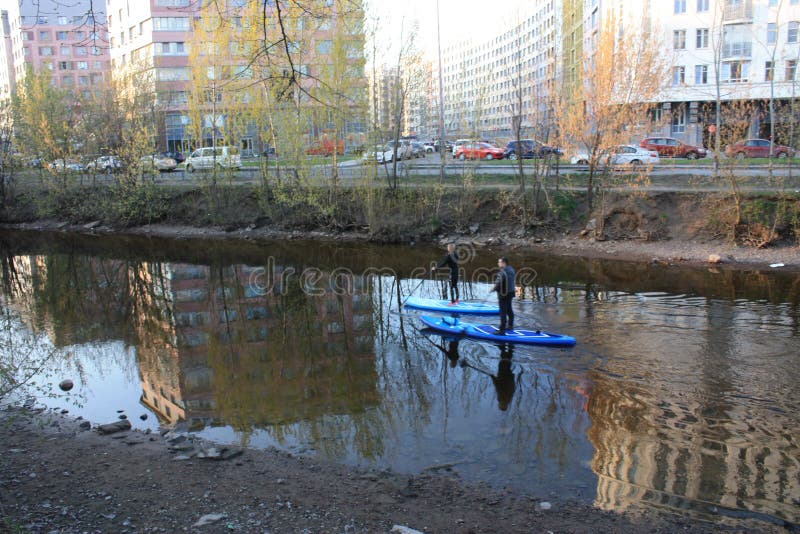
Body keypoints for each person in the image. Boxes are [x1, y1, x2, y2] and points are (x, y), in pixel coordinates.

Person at [489, 256, 515, 335]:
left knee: (503, 312)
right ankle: (510, 326)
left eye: (499, 262)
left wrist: (492, 289)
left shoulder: (502, 272)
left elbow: (498, 284)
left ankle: (501, 331)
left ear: (503, 263)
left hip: (503, 295)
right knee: (509, 310)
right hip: (510, 293)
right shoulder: (512, 269)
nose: (498, 263)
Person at [490, 344, 516, 411]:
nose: (499, 404)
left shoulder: (509, 398)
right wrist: (493, 378)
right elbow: (498, 387)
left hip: (507, 376)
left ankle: (510, 348)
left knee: (507, 362)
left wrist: (512, 378)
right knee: (503, 360)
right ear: (502, 405)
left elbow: (512, 387)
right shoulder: (501, 398)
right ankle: (503, 346)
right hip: (503, 376)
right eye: (500, 405)